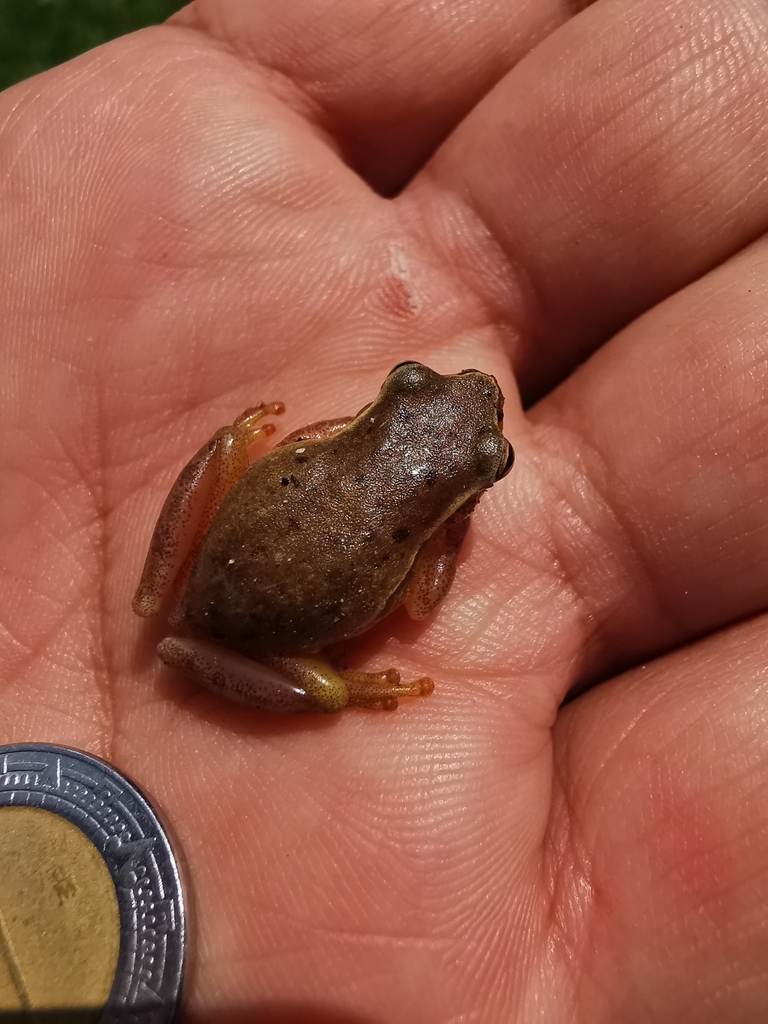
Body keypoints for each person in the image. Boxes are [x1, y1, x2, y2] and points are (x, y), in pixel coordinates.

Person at [2, 0, 766, 1018]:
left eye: (484, 466)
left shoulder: (345, 434)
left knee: (229, 474)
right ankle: (338, 688)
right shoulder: (419, 505)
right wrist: (447, 528)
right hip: (257, 621)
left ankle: (235, 577)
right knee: (326, 687)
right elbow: (415, 606)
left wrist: (266, 450)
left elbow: (327, 454)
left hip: (211, 572)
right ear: (390, 402)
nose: (435, 386)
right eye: (410, 386)